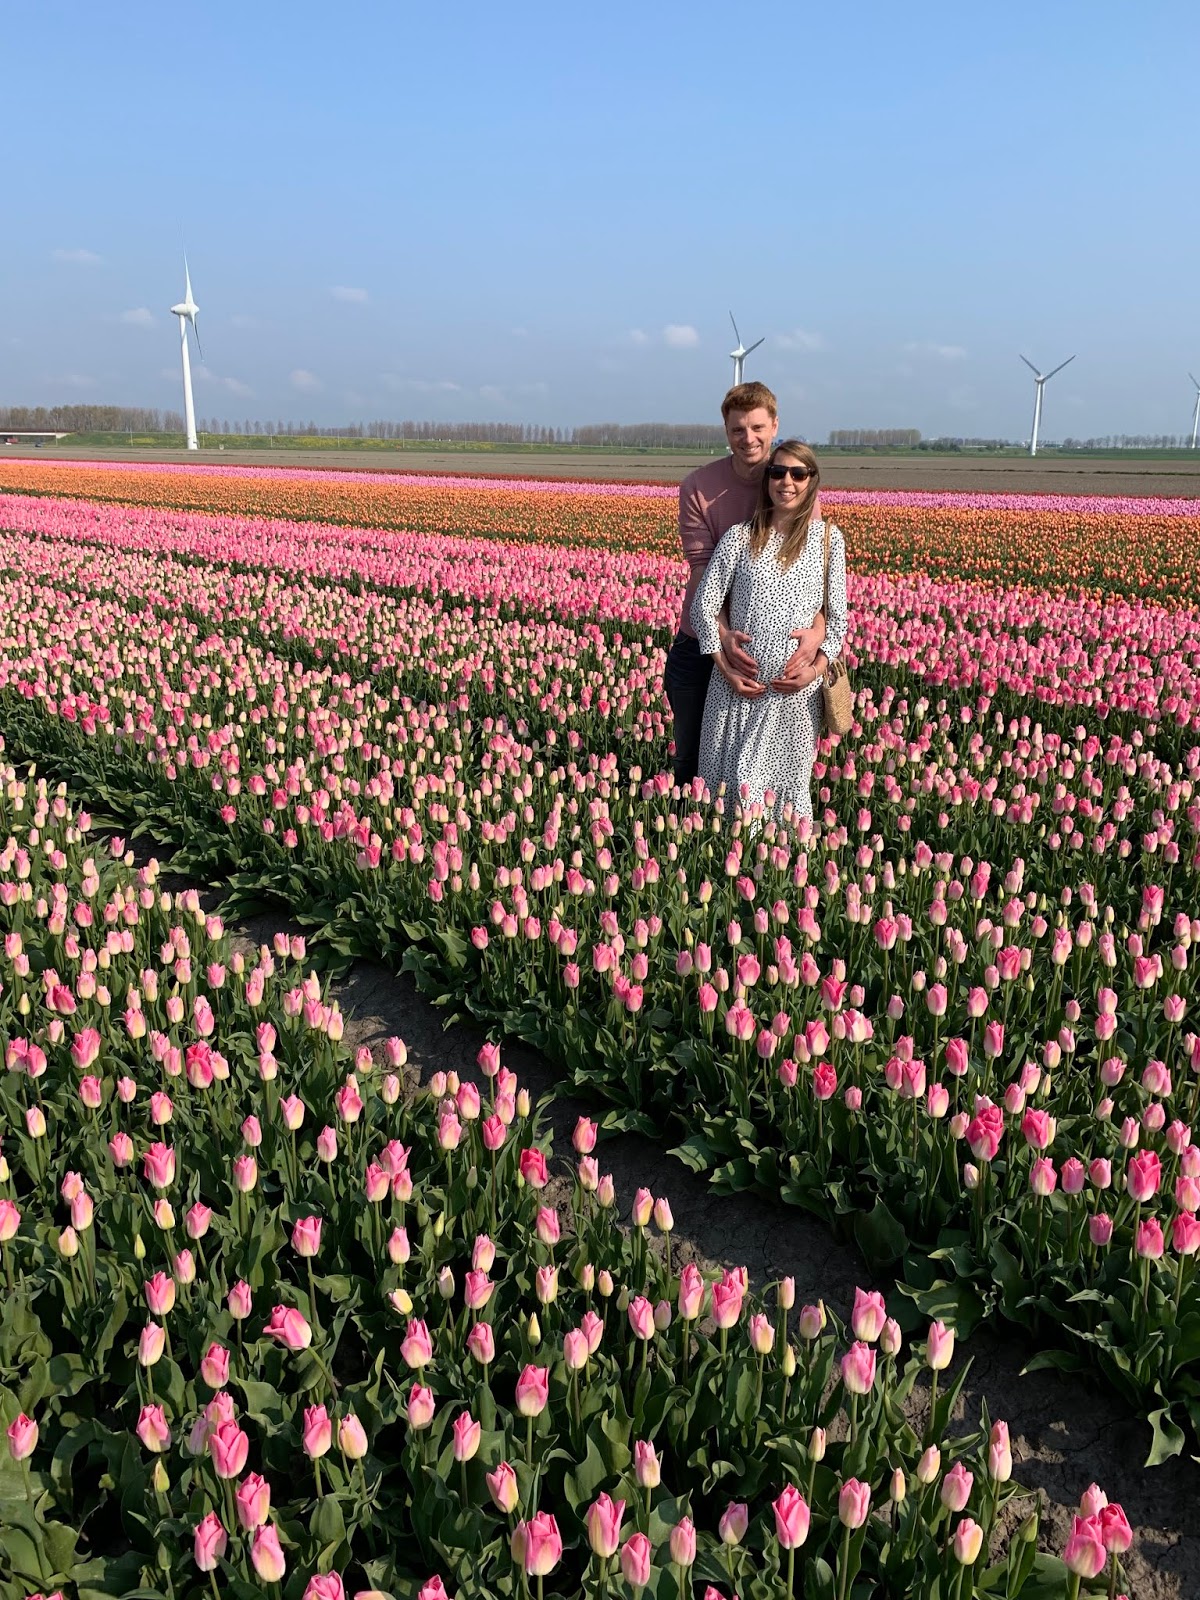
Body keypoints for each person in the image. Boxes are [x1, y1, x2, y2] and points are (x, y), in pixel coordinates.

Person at [664, 382, 825, 786]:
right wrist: (720, 643)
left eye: (757, 427)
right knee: (692, 762)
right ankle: (693, 839)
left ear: (774, 426)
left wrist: (817, 635)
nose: (748, 438)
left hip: (772, 648)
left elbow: (814, 575)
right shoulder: (698, 487)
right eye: (738, 430)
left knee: (768, 771)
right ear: (726, 431)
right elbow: (702, 570)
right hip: (702, 642)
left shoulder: (793, 481)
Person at [690, 440, 847, 822]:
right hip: (737, 694)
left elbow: (838, 620)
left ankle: (779, 872)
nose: (786, 481)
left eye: (798, 473)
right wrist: (725, 664)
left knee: (784, 799)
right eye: (777, 473)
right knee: (731, 792)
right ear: (767, 481)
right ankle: (726, 875)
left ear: (812, 480)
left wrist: (814, 670)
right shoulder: (738, 538)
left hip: (794, 700)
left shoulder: (828, 540)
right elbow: (703, 608)